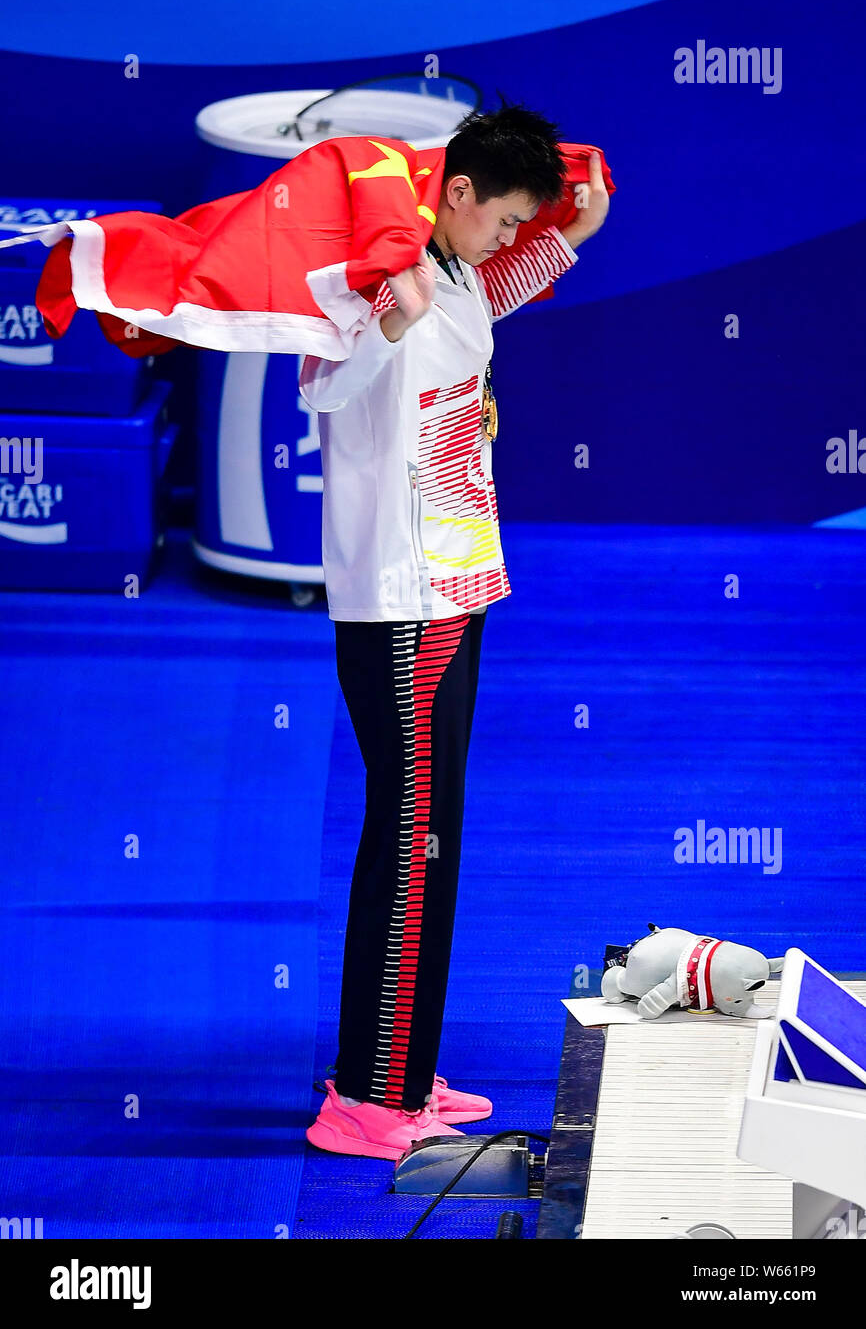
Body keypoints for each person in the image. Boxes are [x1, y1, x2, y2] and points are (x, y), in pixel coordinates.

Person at [299, 103, 610, 1161]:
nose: (506, 240)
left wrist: (570, 237)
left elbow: (486, 304)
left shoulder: (464, 269)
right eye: (504, 218)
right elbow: (326, 385)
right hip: (400, 600)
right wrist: (384, 325)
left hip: (458, 584)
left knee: (434, 836)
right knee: (408, 836)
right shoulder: (375, 277)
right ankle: (366, 1101)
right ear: (457, 193)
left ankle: (401, 1064)